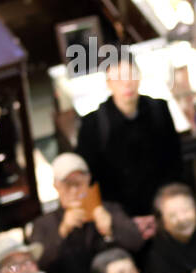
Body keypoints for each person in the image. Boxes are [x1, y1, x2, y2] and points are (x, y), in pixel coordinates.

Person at [76, 62, 184, 242]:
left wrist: (166, 205)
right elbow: (88, 177)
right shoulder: (93, 123)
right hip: (119, 216)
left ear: (140, 77)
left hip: (162, 208)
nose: (127, 83)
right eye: (118, 78)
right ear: (109, 83)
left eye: (131, 76)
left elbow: (174, 160)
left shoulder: (158, 109)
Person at [28, 153, 143, 273]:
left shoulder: (109, 210)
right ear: (56, 186)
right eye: (68, 184)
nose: (74, 190)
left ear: (88, 181)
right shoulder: (43, 224)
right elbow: (38, 263)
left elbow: (137, 242)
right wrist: (62, 231)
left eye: (79, 183)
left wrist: (111, 230)